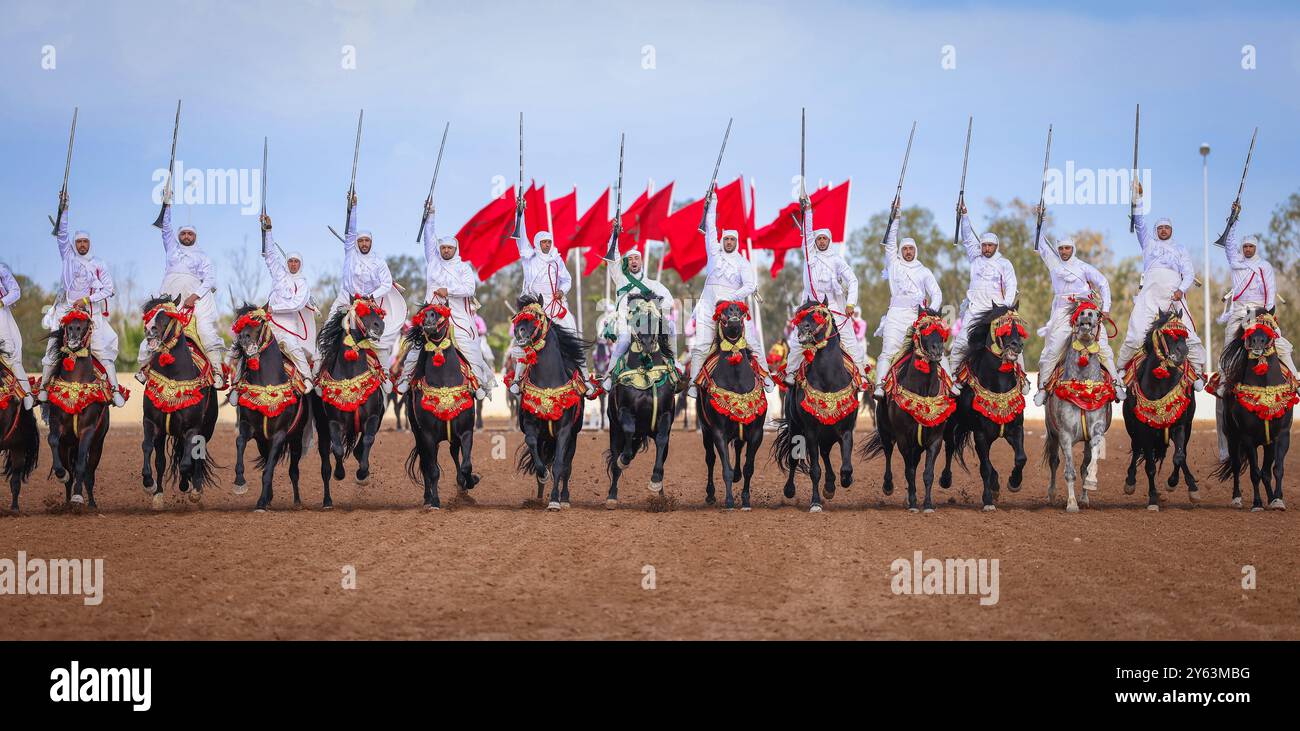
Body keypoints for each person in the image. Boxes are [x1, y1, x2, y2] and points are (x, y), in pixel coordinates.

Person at [394, 200, 492, 398]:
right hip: (431, 314)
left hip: (456, 317)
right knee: (416, 346)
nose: (446, 250)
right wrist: (430, 214)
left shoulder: (463, 268)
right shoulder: (433, 261)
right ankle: (405, 379)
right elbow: (429, 238)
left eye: (449, 248)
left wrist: (449, 291)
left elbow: (470, 288)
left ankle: (479, 383)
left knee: (470, 347)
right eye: (443, 248)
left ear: (455, 250)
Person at [38, 193, 125, 407]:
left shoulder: (98, 263)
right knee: (52, 350)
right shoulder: (67, 256)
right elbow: (62, 233)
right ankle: (43, 389)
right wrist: (64, 208)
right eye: (79, 242)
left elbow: (109, 289)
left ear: (90, 244)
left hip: (91, 314)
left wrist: (86, 300)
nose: (82, 245)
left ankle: (114, 390)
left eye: (85, 242)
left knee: (102, 352)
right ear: (74, 244)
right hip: (65, 311)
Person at [1118, 182, 1207, 389]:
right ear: (1156, 231)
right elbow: (1139, 223)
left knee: (1190, 337)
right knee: (1135, 336)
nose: (1163, 230)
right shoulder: (1148, 244)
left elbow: (1189, 273)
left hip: (1173, 298)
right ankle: (1121, 370)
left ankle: (1197, 372)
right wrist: (1138, 198)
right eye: (1160, 228)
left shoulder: (1180, 249)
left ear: (1171, 230)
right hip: (1149, 297)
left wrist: (1181, 290)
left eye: (1167, 227)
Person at [226, 214, 317, 405]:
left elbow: (296, 304)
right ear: (287, 263)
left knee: (293, 348)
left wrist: (272, 308)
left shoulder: (302, 283)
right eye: (290, 261)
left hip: (287, 327)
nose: (293, 264)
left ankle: (307, 378)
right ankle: (235, 386)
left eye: (296, 262)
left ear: (300, 264)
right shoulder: (279, 273)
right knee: (246, 344)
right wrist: (268, 231)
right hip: (268, 323)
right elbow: (270, 255)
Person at [687, 188, 769, 398]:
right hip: (708, 308)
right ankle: (693, 385)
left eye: (732, 239)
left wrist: (729, 299)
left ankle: (766, 376)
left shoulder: (743, 262)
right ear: (722, 241)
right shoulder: (714, 253)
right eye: (726, 239)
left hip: (732, 311)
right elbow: (710, 227)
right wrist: (712, 200)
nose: (729, 242)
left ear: (736, 241)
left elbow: (750, 286)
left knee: (753, 343)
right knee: (701, 347)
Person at [1032, 228, 1123, 405]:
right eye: (1061, 248)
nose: (1064, 251)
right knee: (1053, 349)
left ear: (1073, 249)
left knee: (1103, 346)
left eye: (1067, 248)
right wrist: (1040, 222)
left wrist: (1106, 307)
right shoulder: (1053, 263)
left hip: (1084, 309)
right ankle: (1043, 389)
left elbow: (1103, 283)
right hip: (1061, 311)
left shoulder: (1083, 267)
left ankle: (1116, 383)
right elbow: (1041, 243)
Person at [327, 192, 406, 393]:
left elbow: (386, 283)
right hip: (346, 299)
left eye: (366, 241)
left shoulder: (379, 261)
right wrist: (353, 208)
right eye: (360, 241)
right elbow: (350, 231)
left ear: (371, 243)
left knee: (379, 340)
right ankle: (318, 373)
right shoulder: (350, 252)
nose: (363, 244)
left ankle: (385, 375)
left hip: (369, 303)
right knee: (328, 330)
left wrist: (371, 297)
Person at [140, 198, 224, 386]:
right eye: (183, 233)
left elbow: (210, 279)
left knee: (206, 332)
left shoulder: (203, 257)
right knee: (153, 328)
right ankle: (145, 369)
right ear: (179, 236)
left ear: (195, 237)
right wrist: (167, 205)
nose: (186, 236)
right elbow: (166, 227)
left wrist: (194, 296)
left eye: (190, 234)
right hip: (168, 299)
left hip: (195, 301)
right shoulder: (171, 248)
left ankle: (217, 371)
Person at [506, 213, 593, 392]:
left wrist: (562, 291)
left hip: (555, 305)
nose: (546, 245)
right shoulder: (529, 258)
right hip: (534, 306)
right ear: (537, 243)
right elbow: (521, 238)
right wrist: (520, 215)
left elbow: (567, 280)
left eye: (549, 242)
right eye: (543, 242)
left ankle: (585, 378)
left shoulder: (556, 259)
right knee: (524, 338)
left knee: (573, 336)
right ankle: (517, 380)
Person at [783, 196, 867, 382]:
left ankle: (861, 375)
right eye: (819, 238)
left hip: (834, 305)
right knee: (797, 341)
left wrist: (850, 304)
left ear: (829, 240)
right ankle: (791, 373)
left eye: (824, 238)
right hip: (811, 305)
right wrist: (808, 211)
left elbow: (853, 280)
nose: (821, 241)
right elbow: (808, 233)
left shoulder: (837, 260)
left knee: (850, 340)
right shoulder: (809, 255)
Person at [950, 203, 1025, 394]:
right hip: (974, 310)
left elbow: (1011, 285)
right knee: (959, 345)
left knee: (1014, 342)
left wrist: (1005, 307)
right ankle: (953, 380)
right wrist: (964, 215)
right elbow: (968, 237)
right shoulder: (975, 259)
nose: (986, 248)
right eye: (984, 245)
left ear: (996, 246)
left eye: (990, 245)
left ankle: (1022, 379)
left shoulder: (1004, 263)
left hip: (997, 312)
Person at [1217, 202, 1296, 382]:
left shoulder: (1264, 266)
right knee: (1228, 344)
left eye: (1251, 246)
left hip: (1259, 311)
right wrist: (1234, 218)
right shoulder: (1235, 261)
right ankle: (1223, 382)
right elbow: (1228, 242)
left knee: (1279, 342)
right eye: (1245, 246)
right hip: (1239, 311)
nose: (1248, 249)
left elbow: (1270, 288)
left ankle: (1294, 379)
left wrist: (1267, 311)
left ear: (1256, 248)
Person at [872, 207, 946, 397]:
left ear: (916, 251)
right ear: (900, 251)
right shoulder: (894, 264)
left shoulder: (924, 271)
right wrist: (895, 217)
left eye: (911, 249)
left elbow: (937, 294)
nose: (907, 252)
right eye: (904, 249)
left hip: (917, 318)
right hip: (895, 316)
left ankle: (948, 385)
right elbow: (890, 243)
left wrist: (930, 312)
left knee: (934, 350)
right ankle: (880, 386)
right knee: (888, 352)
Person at [600, 247, 676, 391]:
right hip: (626, 323)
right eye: (630, 259)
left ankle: (675, 365)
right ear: (626, 263)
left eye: (636, 258)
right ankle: (609, 375)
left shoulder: (652, 284)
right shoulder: (620, 279)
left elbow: (669, 300)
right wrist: (614, 238)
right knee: (624, 341)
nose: (633, 261)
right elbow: (612, 260)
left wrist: (652, 305)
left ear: (641, 261)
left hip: (649, 324)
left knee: (671, 326)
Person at [0, 261, 34, 409]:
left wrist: (2, 302)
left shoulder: (1, 269)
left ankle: (27, 396)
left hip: (1, 315)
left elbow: (15, 291)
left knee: (9, 354)